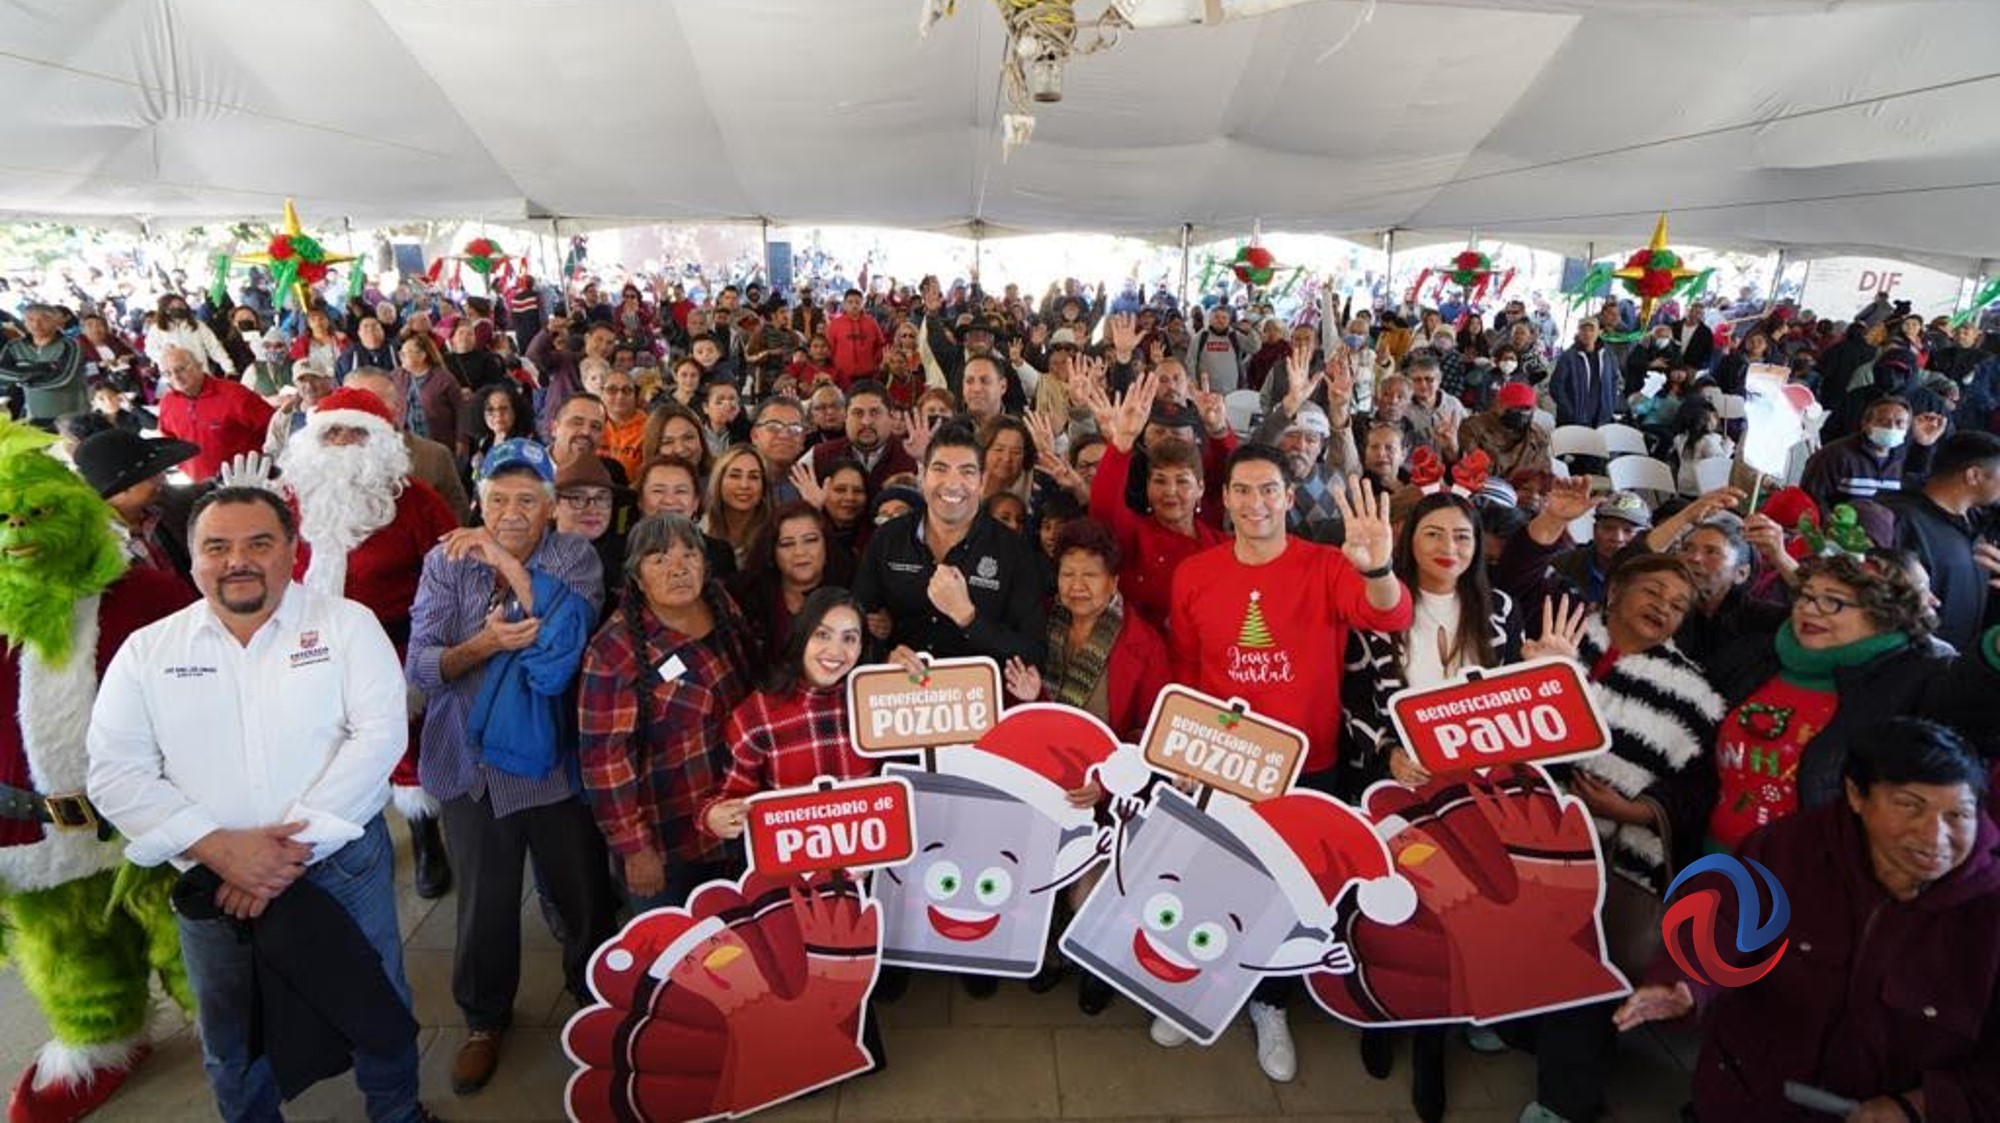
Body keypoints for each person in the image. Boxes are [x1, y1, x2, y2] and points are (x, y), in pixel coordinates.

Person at [87, 486, 430, 1122]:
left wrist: (278, 856)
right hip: (211, 881)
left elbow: (379, 738)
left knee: (375, 1002)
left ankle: (398, 1113)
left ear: (291, 552)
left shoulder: (345, 625)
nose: (237, 560)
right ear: (193, 560)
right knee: (230, 1030)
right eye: (217, 546)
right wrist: (223, 853)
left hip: (340, 869)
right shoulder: (147, 652)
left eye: (258, 543)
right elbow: (115, 772)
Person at [1163, 445, 1412, 1079]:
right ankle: (1199, 981)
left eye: (1268, 490)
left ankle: (1271, 1004)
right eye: (1242, 491)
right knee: (1212, 878)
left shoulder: (1327, 565)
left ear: (1289, 498)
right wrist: (1185, 751)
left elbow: (1390, 612)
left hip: (1309, 762)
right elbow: (1188, 671)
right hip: (1224, 762)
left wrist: (1378, 564)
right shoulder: (1195, 573)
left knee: (1288, 893)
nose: (1255, 503)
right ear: (1223, 501)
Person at [1615, 717, 2000, 1121]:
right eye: (1909, 806)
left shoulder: (1988, 911)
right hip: (1743, 1099)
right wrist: (1684, 980)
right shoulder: (1789, 847)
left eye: (1958, 815)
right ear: (1856, 794)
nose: (1934, 837)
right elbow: (1723, 918)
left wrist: (1920, 1106)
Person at [405, 438, 617, 1096]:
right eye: (499, 499)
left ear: (551, 506)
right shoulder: (445, 563)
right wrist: (483, 644)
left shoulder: (574, 555)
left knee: (581, 893)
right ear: (480, 499)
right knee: (485, 904)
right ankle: (483, 1020)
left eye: (528, 499)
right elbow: (421, 664)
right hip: (469, 763)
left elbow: (560, 646)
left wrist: (499, 557)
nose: (513, 511)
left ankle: (599, 1000)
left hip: (548, 760)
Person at [0, 420, 195, 1123]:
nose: (18, 529)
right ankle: (99, 1036)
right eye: (4, 517)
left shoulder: (146, 599)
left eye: (39, 512)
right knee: (75, 960)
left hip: (148, 825)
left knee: (201, 951)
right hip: (33, 844)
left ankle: (245, 1026)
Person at [278, 386, 463, 899]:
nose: (340, 442)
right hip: (311, 643)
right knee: (329, 746)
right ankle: (351, 840)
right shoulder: (289, 502)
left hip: (395, 645)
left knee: (405, 749)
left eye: (354, 431)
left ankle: (425, 834)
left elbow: (455, 572)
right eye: (330, 431)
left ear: (378, 440)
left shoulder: (415, 501)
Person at [1707, 550, 2000, 852]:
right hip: (1716, 860)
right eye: (1806, 596)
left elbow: (1976, 710)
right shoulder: (1755, 658)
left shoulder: (1919, 677)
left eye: (1833, 601)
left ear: (1882, 615)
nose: (1810, 609)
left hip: (1816, 876)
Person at [578, 514, 755, 910]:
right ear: (637, 578)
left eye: (689, 554)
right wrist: (635, 848)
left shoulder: (720, 603)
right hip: (670, 837)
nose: (677, 568)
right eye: (658, 558)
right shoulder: (612, 651)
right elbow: (604, 762)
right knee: (681, 960)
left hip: (739, 819)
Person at [853, 420, 1047, 668]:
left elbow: (1034, 653)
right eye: (940, 469)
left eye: (966, 471)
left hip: (976, 699)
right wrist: (882, 655)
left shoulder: (1012, 550)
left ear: (982, 482)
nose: (952, 483)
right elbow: (852, 624)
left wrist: (969, 618)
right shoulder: (888, 537)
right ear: (923, 476)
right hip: (899, 695)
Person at [1883, 430, 2000, 652]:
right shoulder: (1900, 521)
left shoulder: (1975, 520)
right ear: (1973, 475)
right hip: (1918, 667)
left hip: (1962, 665)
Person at [343, 368, 475, 526]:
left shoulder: (434, 456)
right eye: (351, 402)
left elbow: (458, 517)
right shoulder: (322, 460)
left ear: (397, 407)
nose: (362, 411)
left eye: (374, 401)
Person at [71, 427, 202, 583]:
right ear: (123, 488)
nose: (162, 479)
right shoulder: (91, 545)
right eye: (152, 474)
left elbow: (198, 494)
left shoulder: (162, 504)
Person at [729, 500, 852, 661]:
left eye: (810, 540)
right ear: (772, 553)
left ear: (826, 545)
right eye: (787, 544)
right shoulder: (745, 593)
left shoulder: (852, 590)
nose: (800, 552)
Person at [1800, 395, 1946, 513]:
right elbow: (1810, 500)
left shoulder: (1903, 457)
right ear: (1865, 424)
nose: (1891, 428)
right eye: (1883, 422)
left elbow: (1918, 494)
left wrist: (1925, 445)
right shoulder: (1835, 455)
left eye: (1899, 423)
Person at [156, 344, 276, 481]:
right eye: (168, 373)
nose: (175, 377)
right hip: (199, 485)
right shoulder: (168, 402)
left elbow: (275, 427)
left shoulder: (234, 394)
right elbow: (169, 441)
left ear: (199, 365)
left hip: (245, 482)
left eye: (181, 369)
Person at [634, 455, 737, 579]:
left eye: (681, 491)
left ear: (696, 502)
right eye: (658, 491)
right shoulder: (623, 551)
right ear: (640, 500)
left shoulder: (719, 553)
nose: (669, 500)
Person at [0, 303, 86, 425]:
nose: (36, 324)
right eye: (30, 319)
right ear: (24, 321)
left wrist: (22, 380)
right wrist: (42, 369)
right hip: (34, 413)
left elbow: (62, 378)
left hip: (70, 413)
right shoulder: (14, 346)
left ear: (55, 322)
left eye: (44, 319)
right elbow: (2, 373)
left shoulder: (70, 345)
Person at [1456, 381, 1552, 481]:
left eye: (1526, 409)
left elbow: (1545, 472)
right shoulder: (1473, 428)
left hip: (1526, 490)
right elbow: (1479, 468)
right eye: (1515, 407)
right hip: (1487, 486)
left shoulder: (1536, 434)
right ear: (1499, 405)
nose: (1521, 413)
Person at [703, 445, 774, 567]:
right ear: (719, 481)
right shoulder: (699, 529)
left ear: (764, 487)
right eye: (735, 476)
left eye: (753, 477)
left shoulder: (775, 533)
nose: (744, 485)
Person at [1550, 319, 1618, 427]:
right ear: (1578, 332)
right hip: (1573, 420)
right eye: (1583, 329)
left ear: (1599, 332)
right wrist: (1570, 412)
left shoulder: (1607, 355)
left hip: (1601, 418)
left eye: (1592, 329)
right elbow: (1556, 387)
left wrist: (1610, 406)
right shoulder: (1568, 357)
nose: (1587, 333)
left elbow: (1615, 380)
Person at [143, 293, 232, 373]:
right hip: (174, 376)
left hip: (200, 373)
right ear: (166, 310)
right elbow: (150, 350)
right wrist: (166, 355)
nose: (179, 308)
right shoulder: (156, 330)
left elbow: (214, 347)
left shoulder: (197, 325)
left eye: (181, 305)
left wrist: (228, 367)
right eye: (174, 306)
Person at [827, 289, 885, 386]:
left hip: (868, 375)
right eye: (850, 302)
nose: (854, 305)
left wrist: (875, 365)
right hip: (842, 376)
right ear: (844, 304)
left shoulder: (871, 323)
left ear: (862, 303)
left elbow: (880, 346)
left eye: (857, 302)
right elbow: (830, 348)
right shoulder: (835, 324)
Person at [596, 368, 647, 481]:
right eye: (612, 390)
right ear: (601, 394)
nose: (620, 396)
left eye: (627, 390)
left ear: (636, 396)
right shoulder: (592, 425)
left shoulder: (650, 428)